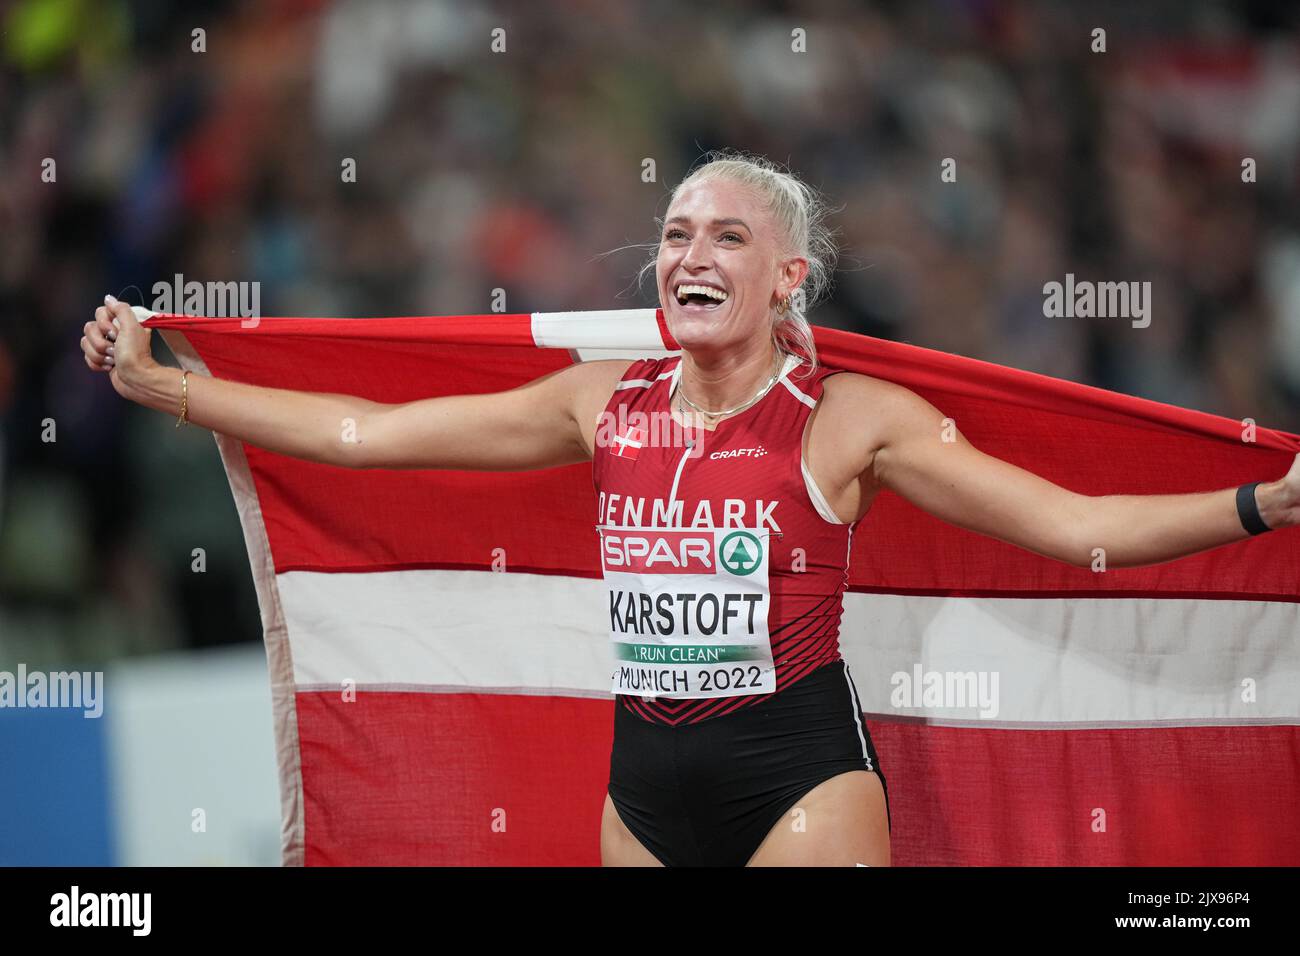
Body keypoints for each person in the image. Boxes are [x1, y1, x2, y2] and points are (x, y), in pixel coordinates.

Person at [81, 151, 1298, 867]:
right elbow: (370, 437)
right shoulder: (598, 401)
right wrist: (174, 388)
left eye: (726, 234)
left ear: (786, 278)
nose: (689, 252)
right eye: (673, 234)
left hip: (800, 783)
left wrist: (1264, 500)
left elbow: (1073, 525)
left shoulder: (850, 418)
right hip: (640, 794)